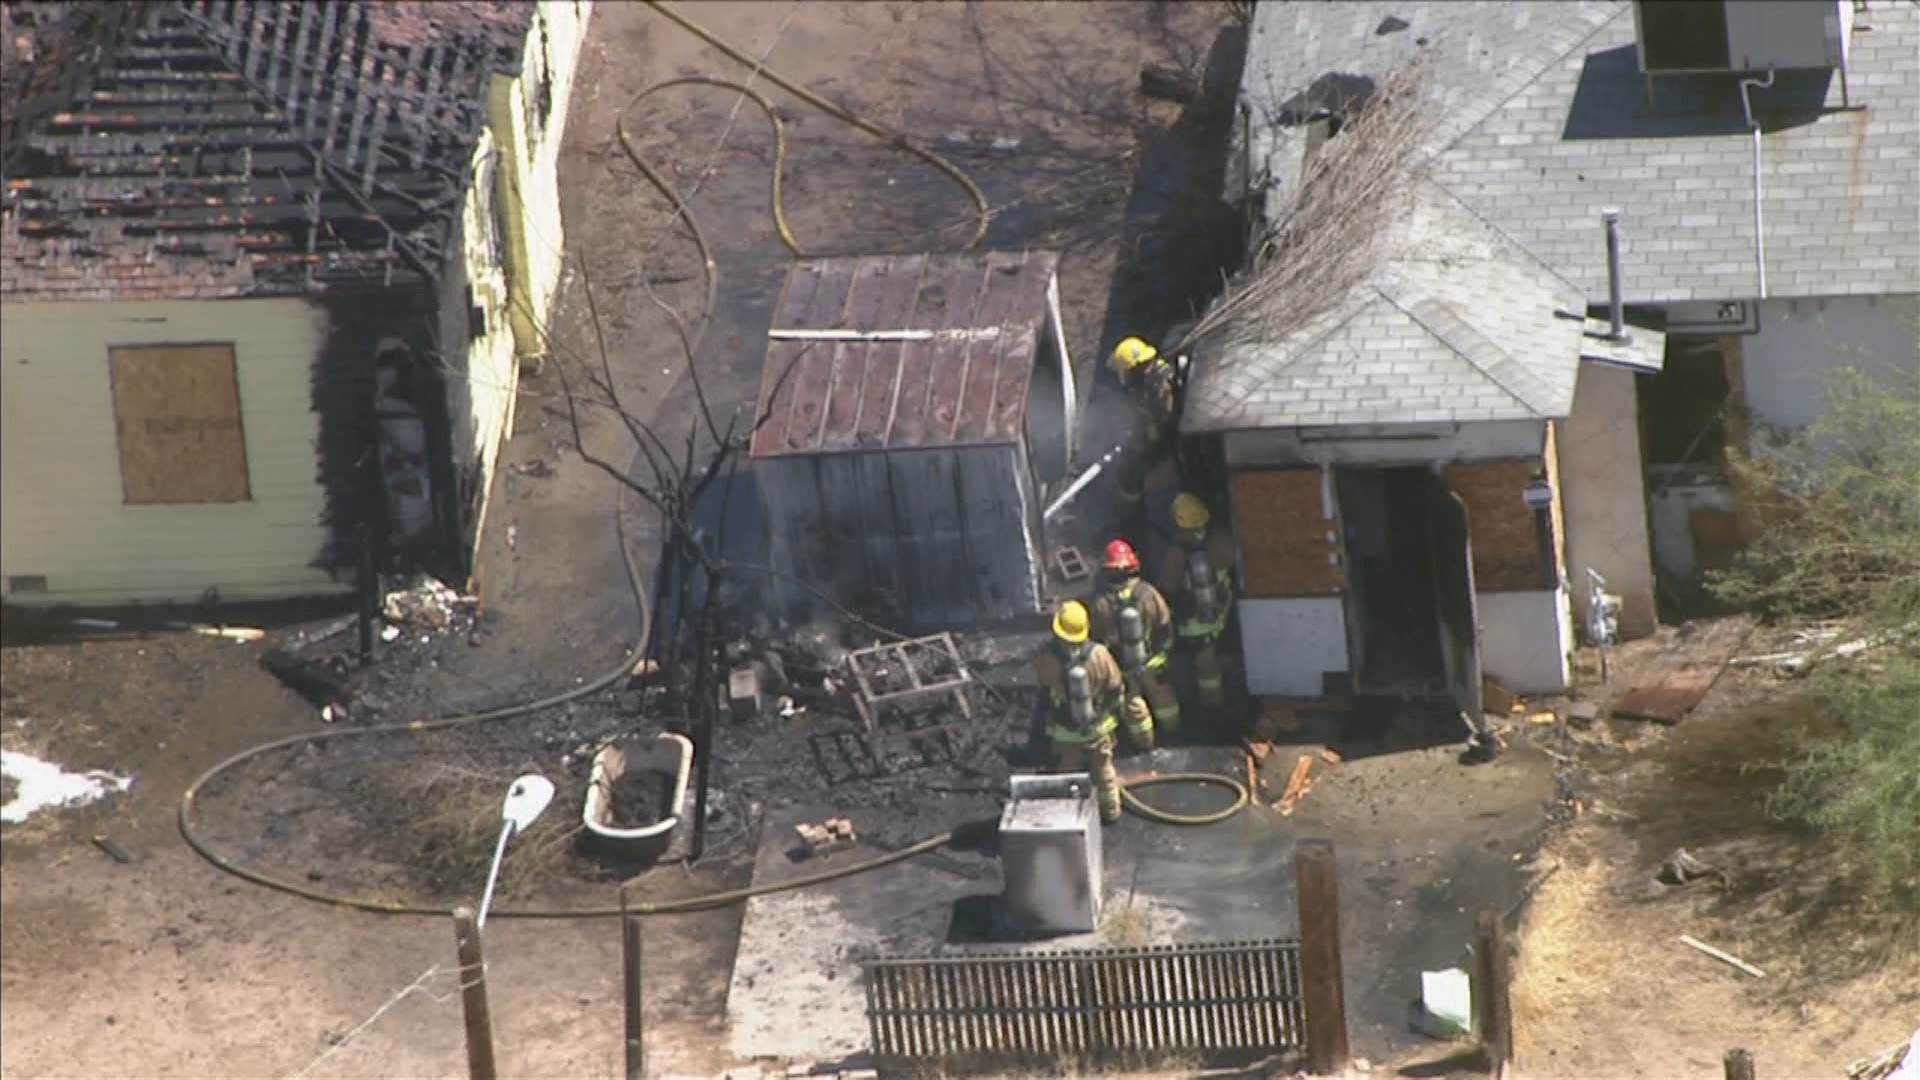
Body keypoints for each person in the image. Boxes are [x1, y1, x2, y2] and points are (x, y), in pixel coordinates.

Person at [1033, 600, 1125, 823]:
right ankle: (1111, 811)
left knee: (1068, 773)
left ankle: (1070, 815)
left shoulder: (1047, 658)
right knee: (1104, 772)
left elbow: (1043, 685)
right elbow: (1115, 688)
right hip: (1097, 728)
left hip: (1065, 732)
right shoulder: (1100, 654)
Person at [1088, 538, 1178, 747]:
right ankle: (1173, 733)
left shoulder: (1100, 604)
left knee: (1134, 707)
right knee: (1164, 698)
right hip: (1151, 662)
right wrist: (1162, 656)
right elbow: (1165, 624)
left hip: (1123, 669)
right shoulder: (1148, 593)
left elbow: (1097, 641)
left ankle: (1145, 744)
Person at [1158, 492, 1238, 710]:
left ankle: (1211, 708)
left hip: (1193, 623)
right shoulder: (1220, 537)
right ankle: (1216, 701)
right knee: (1210, 660)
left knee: (1203, 666)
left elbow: (1168, 587)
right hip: (1219, 613)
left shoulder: (1177, 551)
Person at [1108, 337, 1181, 515]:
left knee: (1147, 485)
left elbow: (1166, 427)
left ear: (1134, 370)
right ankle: (1130, 511)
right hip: (1165, 444)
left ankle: (1142, 515)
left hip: (1178, 452)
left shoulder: (1161, 388)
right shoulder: (1150, 383)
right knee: (1130, 470)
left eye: (1124, 374)